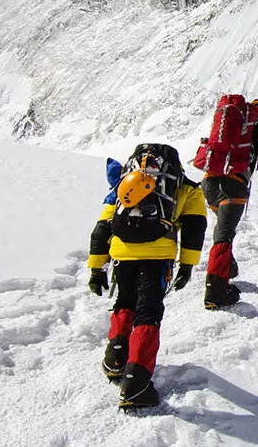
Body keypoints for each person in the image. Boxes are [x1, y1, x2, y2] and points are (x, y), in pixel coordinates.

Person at [87, 144, 206, 411]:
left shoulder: (124, 183)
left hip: (121, 251)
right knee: (148, 313)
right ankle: (136, 383)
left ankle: (116, 359)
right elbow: (195, 228)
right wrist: (187, 266)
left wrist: (97, 268)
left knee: (125, 301)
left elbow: (102, 228)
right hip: (157, 254)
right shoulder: (186, 188)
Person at [200, 97, 258, 309]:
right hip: (233, 185)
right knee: (224, 232)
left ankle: (228, 266)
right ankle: (215, 290)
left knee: (224, 226)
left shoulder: (230, 122)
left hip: (208, 182)